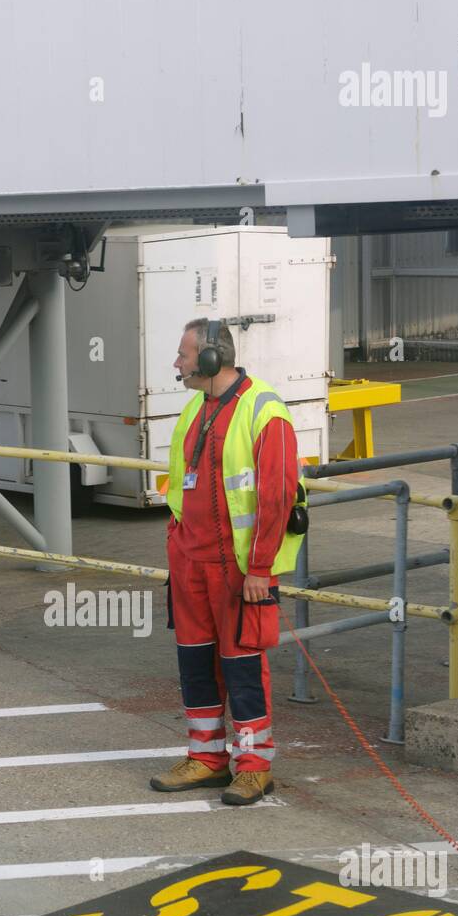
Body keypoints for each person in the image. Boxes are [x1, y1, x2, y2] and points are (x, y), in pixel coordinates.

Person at [150, 318, 307, 806]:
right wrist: (177, 547)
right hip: (191, 566)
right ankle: (207, 758)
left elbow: (277, 496)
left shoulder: (264, 410)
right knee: (195, 662)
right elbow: (180, 485)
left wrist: (260, 568)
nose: (177, 363)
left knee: (242, 667)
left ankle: (254, 766)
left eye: (184, 354)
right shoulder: (196, 409)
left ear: (213, 357)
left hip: (239, 572)